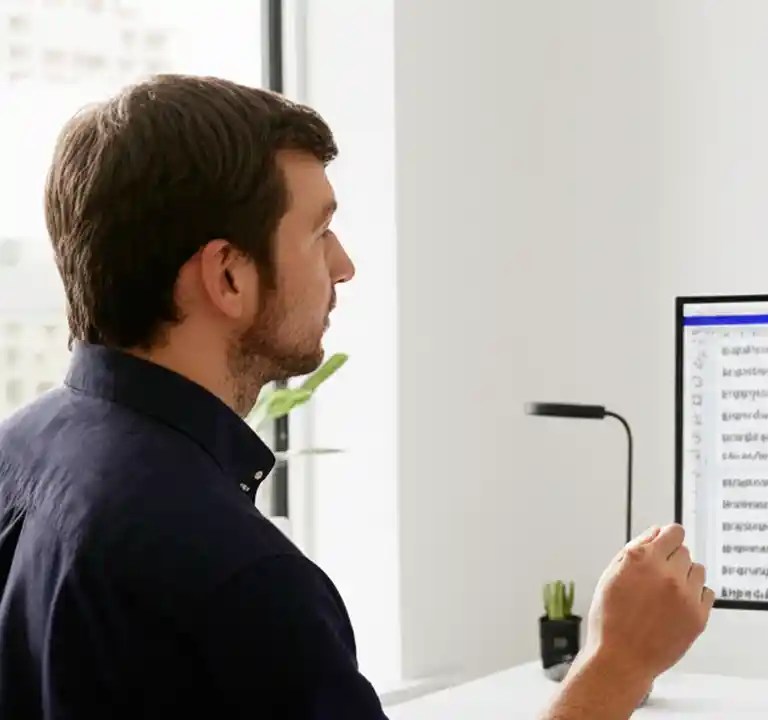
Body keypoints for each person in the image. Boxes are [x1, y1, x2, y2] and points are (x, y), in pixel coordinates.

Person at [0, 74, 713, 719]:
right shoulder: (240, 580)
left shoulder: (15, 454)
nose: (344, 265)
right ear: (227, 278)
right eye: (319, 233)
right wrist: (618, 665)